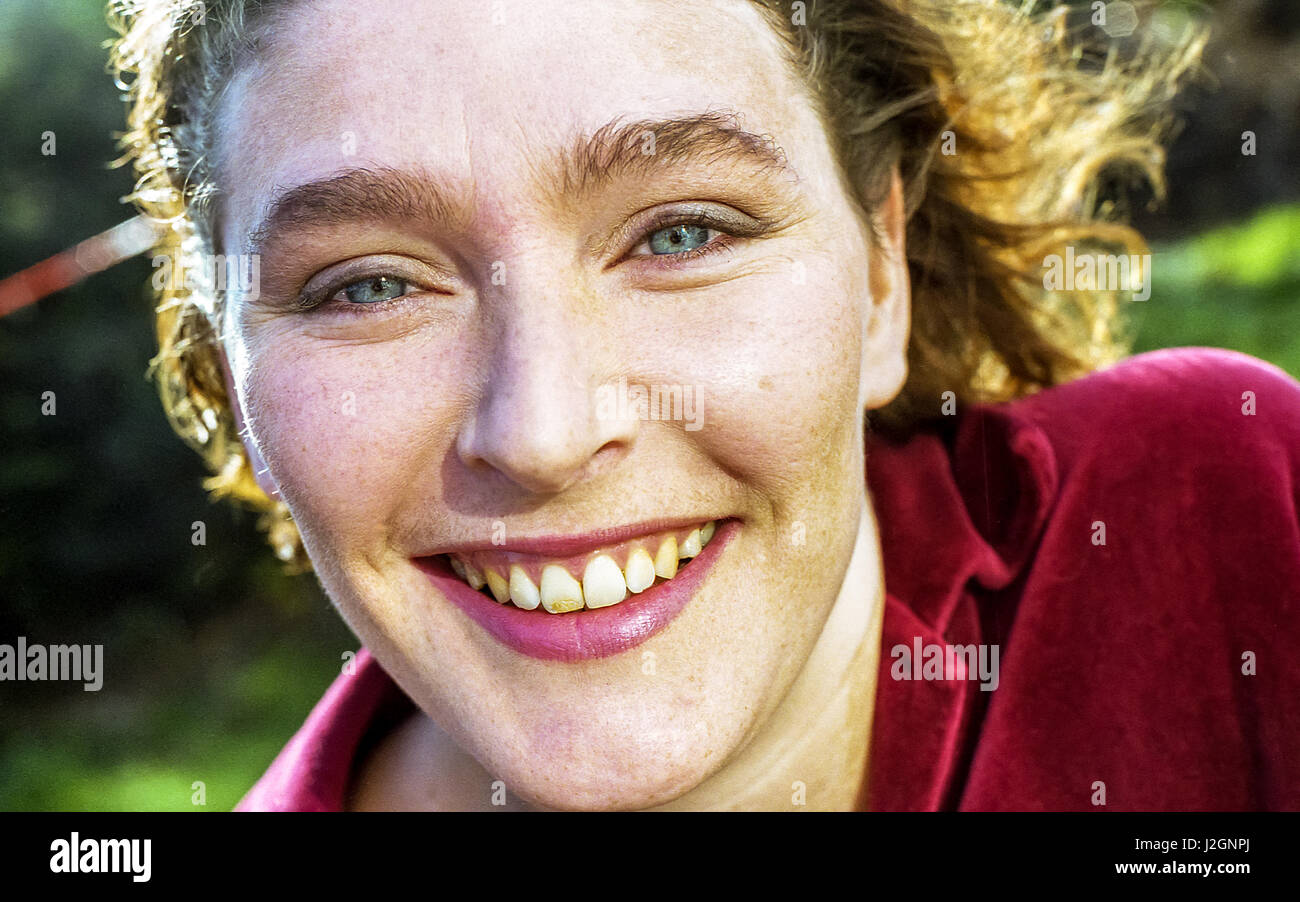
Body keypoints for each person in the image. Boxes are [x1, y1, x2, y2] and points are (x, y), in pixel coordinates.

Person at [108, 0, 1300, 811]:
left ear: (879, 274)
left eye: (681, 232)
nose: (544, 431)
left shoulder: (1226, 516)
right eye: (369, 284)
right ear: (228, 379)